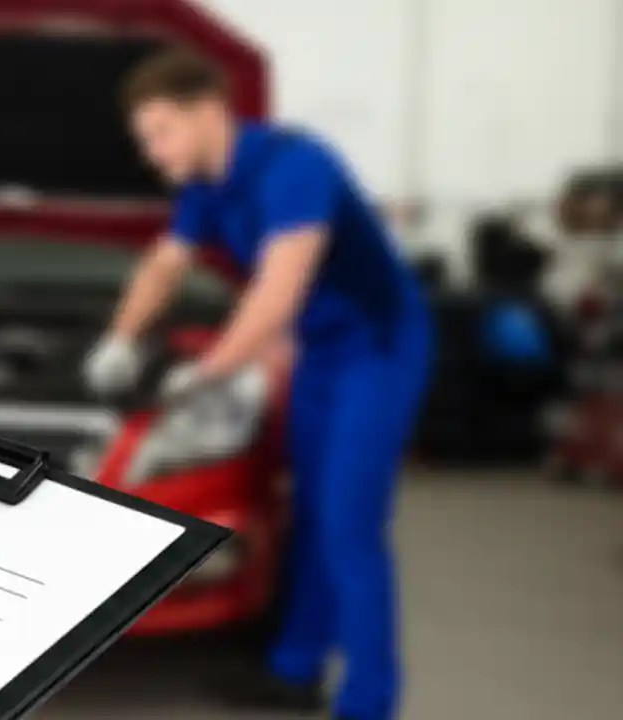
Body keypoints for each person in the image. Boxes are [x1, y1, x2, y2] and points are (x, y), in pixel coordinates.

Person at [84, 49, 433, 720]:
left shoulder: (296, 166)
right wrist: (119, 338)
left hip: (379, 349)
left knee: (350, 526)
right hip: (321, 351)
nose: (153, 153)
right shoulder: (203, 187)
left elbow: (277, 293)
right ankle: (295, 669)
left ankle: (369, 701)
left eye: (160, 132)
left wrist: (202, 373)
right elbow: (162, 269)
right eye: (144, 138)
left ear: (209, 110)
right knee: (307, 510)